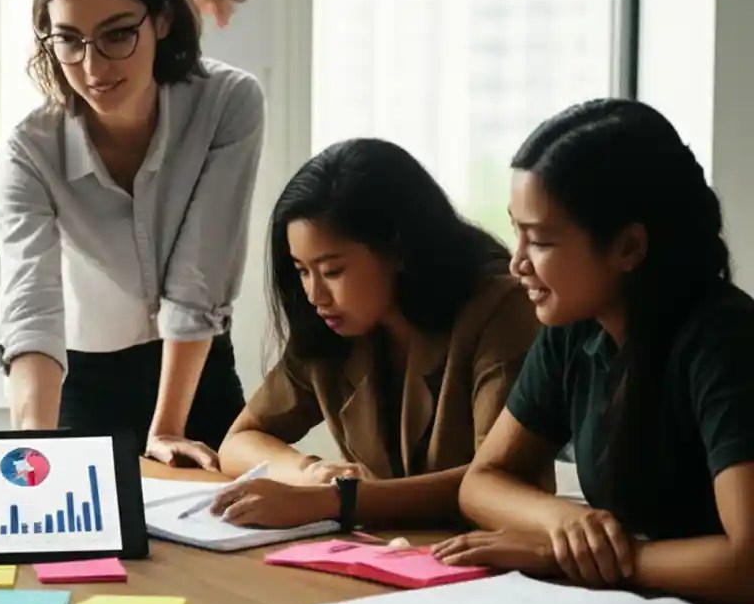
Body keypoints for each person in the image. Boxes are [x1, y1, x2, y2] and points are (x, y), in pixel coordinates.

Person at [433, 99, 754, 604]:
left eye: (540, 241)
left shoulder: (725, 341)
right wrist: (564, 522)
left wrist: (573, 556)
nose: (517, 263)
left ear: (628, 247)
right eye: (516, 232)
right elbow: (482, 482)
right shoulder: (575, 327)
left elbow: (748, 562)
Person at [0, 0, 265, 469]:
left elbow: (199, 273)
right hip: (85, 381)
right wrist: (29, 450)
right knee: (69, 518)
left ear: (162, 19)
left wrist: (167, 429)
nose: (92, 67)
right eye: (68, 40)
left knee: (225, 518)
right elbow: (32, 310)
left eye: (117, 35)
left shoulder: (228, 103)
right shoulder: (29, 151)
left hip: (198, 371)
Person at [210, 139, 538, 529]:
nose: (315, 295)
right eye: (302, 271)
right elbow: (239, 441)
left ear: (397, 248)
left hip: (485, 551)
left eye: (332, 271)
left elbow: (498, 483)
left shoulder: (501, 309)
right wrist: (309, 473)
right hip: (387, 548)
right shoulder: (333, 326)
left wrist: (335, 501)